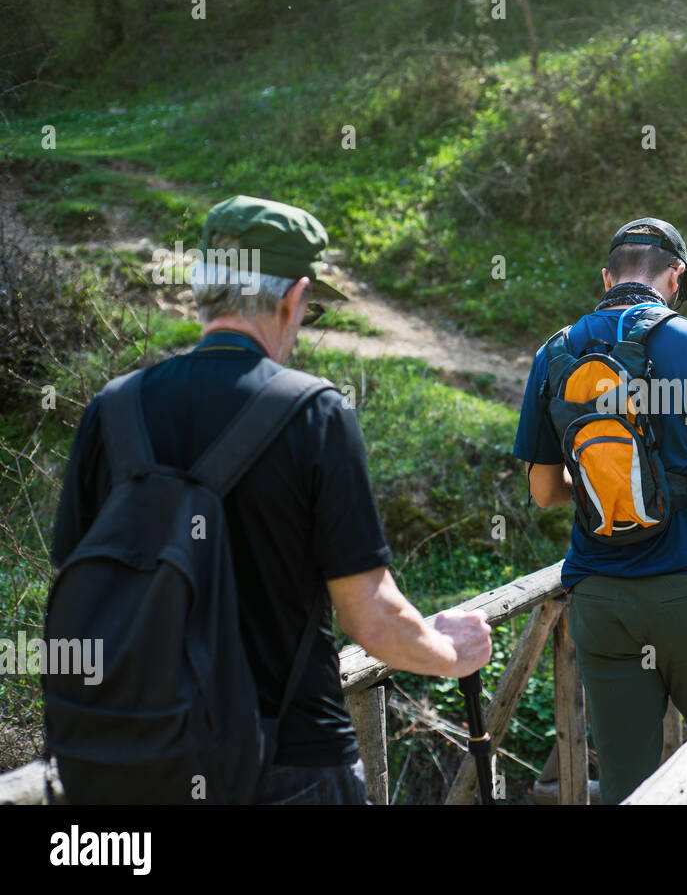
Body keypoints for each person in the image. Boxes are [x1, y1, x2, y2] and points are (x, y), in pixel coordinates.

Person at [50, 195, 492, 804]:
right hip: (289, 763)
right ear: (292, 297)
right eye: (308, 310)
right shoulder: (314, 414)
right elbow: (369, 617)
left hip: (138, 768)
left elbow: (78, 579)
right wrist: (450, 650)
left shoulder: (113, 409)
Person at [513, 218, 687, 804]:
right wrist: (677, 494)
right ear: (674, 277)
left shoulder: (556, 352)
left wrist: (612, 490)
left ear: (607, 278)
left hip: (602, 600)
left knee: (626, 786)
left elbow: (545, 491)